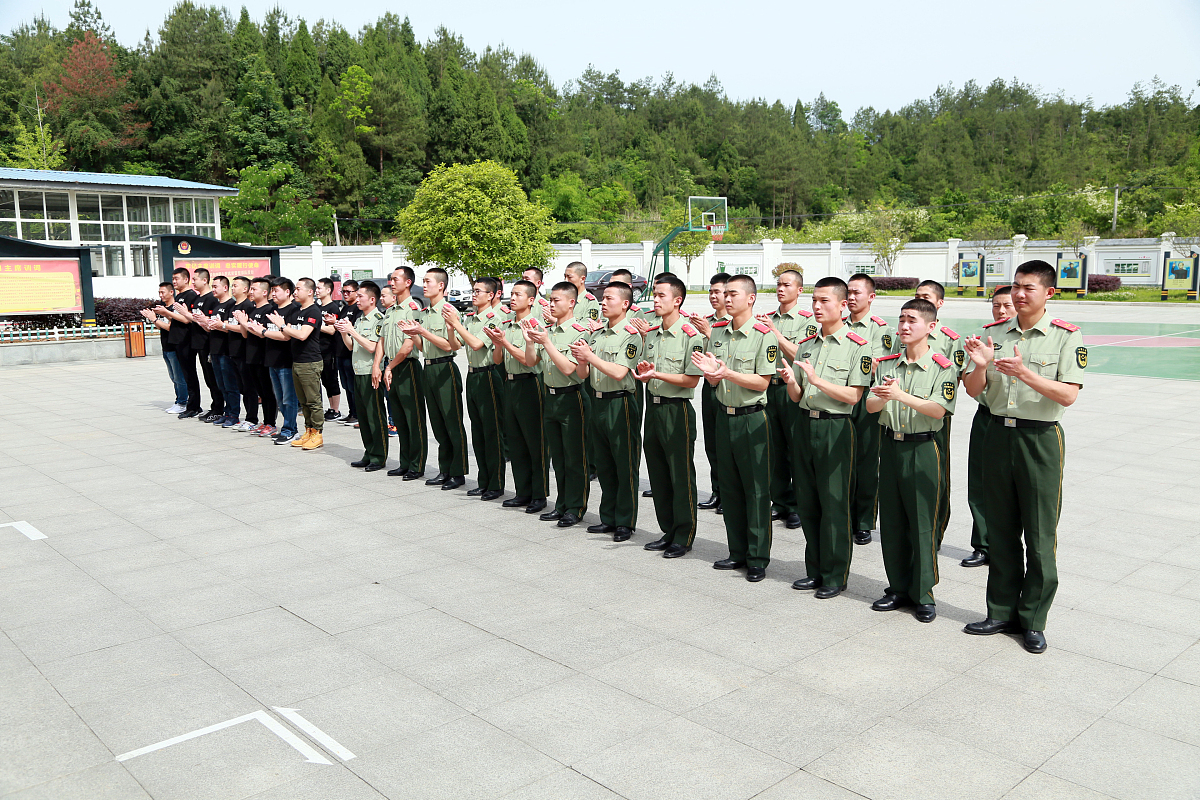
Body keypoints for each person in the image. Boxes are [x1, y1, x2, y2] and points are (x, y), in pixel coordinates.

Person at [962, 260, 1085, 655]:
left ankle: (1032, 620)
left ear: (1049, 293)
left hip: (1040, 439)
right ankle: (1000, 611)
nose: (1018, 294)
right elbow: (974, 391)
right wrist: (980, 367)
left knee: (1039, 533)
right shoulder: (992, 334)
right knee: (999, 530)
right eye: (1015, 286)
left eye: (1028, 287)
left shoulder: (1066, 336)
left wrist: (1024, 373)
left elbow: (1068, 395)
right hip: (997, 436)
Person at [866, 298, 958, 623]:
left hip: (922, 448)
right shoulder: (888, 364)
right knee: (891, 522)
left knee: (922, 524)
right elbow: (870, 407)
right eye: (902, 319)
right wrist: (880, 395)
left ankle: (924, 593)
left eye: (912, 321)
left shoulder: (943, 367)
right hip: (890, 446)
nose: (904, 326)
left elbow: (939, 410)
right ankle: (898, 588)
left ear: (931, 327)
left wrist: (900, 395)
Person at [782, 276, 871, 599]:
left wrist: (818, 381)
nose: (817, 307)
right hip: (805, 424)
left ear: (843, 305)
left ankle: (835, 573)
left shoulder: (857, 346)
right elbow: (797, 396)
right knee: (808, 500)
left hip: (835, 428)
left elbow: (853, 396)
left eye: (825, 302)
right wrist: (793, 381)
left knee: (834, 502)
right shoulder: (806, 345)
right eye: (815, 301)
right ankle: (814, 569)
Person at [691, 274, 777, 581]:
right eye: (724, 294)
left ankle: (757, 556)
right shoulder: (718, 333)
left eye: (733, 294)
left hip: (752, 417)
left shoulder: (763, 335)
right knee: (729, 487)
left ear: (750, 298)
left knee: (755, 489)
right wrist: (713, 374)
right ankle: (736, 551)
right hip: (724, 416)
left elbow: (762, 381)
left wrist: (727, 373)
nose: (727, 299)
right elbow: (715, 379)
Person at [637, 275, 705, 557]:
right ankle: (668, 529)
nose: (655, 300)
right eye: (654, 294)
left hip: (677, 410)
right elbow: (646, 371)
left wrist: (656, 374)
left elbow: (691, 380)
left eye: (661, 295)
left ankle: (684, 534)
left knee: (680, 474)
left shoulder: (692, 336)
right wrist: (644, 373)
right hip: (652, 407)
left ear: (677, 300)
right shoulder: (651, 334)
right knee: (658, 473)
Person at [573, 281, 643, 542]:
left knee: (624, 463)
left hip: (620, 402)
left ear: (625, 304)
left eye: (609, 299)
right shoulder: (597, 333)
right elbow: (583, 374)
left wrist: (589, 357)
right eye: (602, 298)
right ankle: (608, 517)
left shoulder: (630, 334)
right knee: (604, 463)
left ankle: (625, 521)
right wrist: (582, 360)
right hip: (598, 401)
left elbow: (619, 372)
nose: (603, 302)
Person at [524, 281, 589, 527]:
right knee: (558, 457)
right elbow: (532, 362)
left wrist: (547, 343)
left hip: (571, 397)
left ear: (571, 302)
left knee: (574, 457)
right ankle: (561, 504)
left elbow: (571, 369)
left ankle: (575, 506)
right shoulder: (547, 330)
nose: (551, 305)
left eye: (556, 300)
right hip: (550, 396)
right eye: (550, 300)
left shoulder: (579, 331)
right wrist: (530, 341)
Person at [962, 285, 1016, 568]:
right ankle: (982, 544)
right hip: (987, 416)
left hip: (1020, 421)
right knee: (980, 483)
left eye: (1006, 305)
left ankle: (1006, 545)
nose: (1001, 310)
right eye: (996, 305)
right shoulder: (987, 335)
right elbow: (971, 381)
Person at [486, 280, 548, 514]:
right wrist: (498, 344)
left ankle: (539, 494)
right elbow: (497, 360)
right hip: (510, 383)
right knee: (515, 441)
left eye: (518, 294)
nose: (512, 298)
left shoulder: (535, 326)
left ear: (531, 300)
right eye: (511, 294)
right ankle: (523, 491)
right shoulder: (506, 324)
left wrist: (505, 343)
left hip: (530, 384)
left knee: (535, 442)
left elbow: (528, 360)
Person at [756, 268, 811, 530]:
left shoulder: (806, 319)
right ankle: (780, 501)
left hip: (792, 387)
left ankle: (798, 505)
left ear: (799, 290)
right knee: (774, 447)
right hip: (770, 387)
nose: (780, 289)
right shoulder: (768, 317)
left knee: (794, 448)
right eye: (778, 284)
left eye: (786, 285)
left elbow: (800, 353)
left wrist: (775, 333)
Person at [442, 277, 506, 501]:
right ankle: (484, 481)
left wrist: (457, 324)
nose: (474, 294)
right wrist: (451, 328)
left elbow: (478, 344)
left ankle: (496, 483)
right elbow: (456, 345)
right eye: (473, 290)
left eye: (478, 291)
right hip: (472, 375)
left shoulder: (494, 318)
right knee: (478, 432)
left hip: (488, 375)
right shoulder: (471, 318)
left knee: (492, 432)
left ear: (491, 295)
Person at [913, 279, 967, 544]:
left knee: (937, 475)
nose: (921, 299)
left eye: (927, 296)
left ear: (940, 303)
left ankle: (936, 531)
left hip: (935, 414)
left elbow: (953, 381)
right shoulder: (907, 329)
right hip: (902, 416)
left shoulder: (950, 340)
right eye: (917, 295)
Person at [404, 268, 467, 490]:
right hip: (428, 367)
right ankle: (445, 469)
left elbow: (451, 346)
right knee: (438, 424)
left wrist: (423, 332)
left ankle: (458, 472)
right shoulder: (424, 312)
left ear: (441, 285)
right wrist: (414, 335)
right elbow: (423, 348)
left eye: (428, 281)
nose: (424, 285)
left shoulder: (448, 311)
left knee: (452, 423)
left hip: (445, 368)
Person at [845, 273, 896, 545]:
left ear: (871, 297)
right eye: (849, 293)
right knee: (841, 459)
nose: (851, 298)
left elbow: (875, 365)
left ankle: (863, 520)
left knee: (865, 461)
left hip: (866, 400)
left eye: (857, 293)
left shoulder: (881, 329)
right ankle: (843, 515)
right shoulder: (837, 325)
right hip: (840, 397)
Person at [375, 267, 427, 479]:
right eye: (390, 279)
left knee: (413, 418)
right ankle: (404, 462)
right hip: (391, 367)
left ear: (407, 283)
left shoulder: (412, 308)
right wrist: (379, 365)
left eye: (396, 279)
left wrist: (389, 366)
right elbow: (384, 340)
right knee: (399, 417)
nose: (391, 282)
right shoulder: (390, 310)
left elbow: (407, 346)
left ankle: (416, 464)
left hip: (406, 367)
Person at [335, 281, 387, 471]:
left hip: (371, 372)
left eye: (360, 296)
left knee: (375, 415)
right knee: (363, 417)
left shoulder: (378, 319)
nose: (357, 300)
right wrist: (344, 332)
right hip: (358, 371)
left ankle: (379, 456)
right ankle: (369, 452)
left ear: (372, 299)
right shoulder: (359, 319)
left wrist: (352, 332)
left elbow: (373, 347)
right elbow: (350, 346)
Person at [692, 272, 731, 513]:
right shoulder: (706, 321)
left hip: (730, 386)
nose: (714, 296)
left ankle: (730, 495)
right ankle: (717, 491)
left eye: (719, 291)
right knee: (712, 444)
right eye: (711, 291)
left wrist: (709, 334)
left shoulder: (733, 323)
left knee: (728, 445)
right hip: (710, 387)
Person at [270, 277, 324, 449]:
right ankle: (308, 430)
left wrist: (282, 325)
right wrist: (281, 327)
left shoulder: (314, 311)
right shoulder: (297, 311)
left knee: (313, 400)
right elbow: (288, 335)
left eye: (299, 288)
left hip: (310, 361)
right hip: (297, 361)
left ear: (310, 291)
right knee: (303, 400)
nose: (295, 292)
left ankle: (317, 433)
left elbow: (302, 335)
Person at [253, 277, 300, 444]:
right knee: (280, 399)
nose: (273, 294)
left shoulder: (294, 310)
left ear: (287, 292)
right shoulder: (272, 309)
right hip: (271, 360)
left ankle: (291, 430)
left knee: (289, 399)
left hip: (286, 361)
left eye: (276, 291)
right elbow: (264, 331)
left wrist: (264, 331)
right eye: (272, 290)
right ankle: (286, 427)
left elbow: (286, 336)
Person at [233, 277, 278, 438]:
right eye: (250, 289)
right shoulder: (252, 309)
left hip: (263, 356)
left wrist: (245, 323)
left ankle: (270, 423)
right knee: (259, 391)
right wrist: (243, 322)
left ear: (265, 292)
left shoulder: (270, 310)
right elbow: (245, 334)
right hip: (250, 355)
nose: (251, 292)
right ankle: (264, 422)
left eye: (254, 289)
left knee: (267, 392)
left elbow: (262, 334)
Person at [159, 267, 202, 418]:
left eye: (177, 279)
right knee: (185, 374)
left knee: (189, 375)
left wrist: (167, 313)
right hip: (177, 341)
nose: (174, 281)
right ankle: (191, 405)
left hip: (186, 340)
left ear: (186, 279)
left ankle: (193, 406)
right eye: (173, 279)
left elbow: (186, 319)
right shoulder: (179, 296)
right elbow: (176, 318)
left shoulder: (190, 296)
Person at [187, 268, 226, 424]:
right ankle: (215, 407)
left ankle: (219, 409)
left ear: (204, 280)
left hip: (209, 343)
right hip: (199, 344)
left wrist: (191, 316)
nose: (193, 282)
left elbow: (209, 322)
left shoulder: (211, 299)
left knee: (215, 380)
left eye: (195, 278)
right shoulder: (197, 298)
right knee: (209, 379)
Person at [143, 282, 187, 414]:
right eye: (159, 293)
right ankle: (179, 400)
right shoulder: (162, 307)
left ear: (171, 292)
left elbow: (170, 327)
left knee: (179, 377)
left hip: (175, 346)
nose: (161, 295)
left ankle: (182, 402)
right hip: (165, 346)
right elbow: (161, 327)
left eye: (163, 292)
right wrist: (153, 319)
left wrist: (155, 319)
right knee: (173, 377)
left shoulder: (174, 308)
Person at [224, 276, 259, 432]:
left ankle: (252, 418)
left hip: (245, 351)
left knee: (249, 387)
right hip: (233, 351)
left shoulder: (248, 305)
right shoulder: (233, 305)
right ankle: (246, 417)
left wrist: (226, 325)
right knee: (241, 387)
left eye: (235, 285)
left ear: (245, 289)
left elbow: (247, 327)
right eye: (232, 285)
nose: (232, 288)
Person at [207, 276, 241, 428]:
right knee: (221, 385)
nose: (213, 289)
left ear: (225, 288)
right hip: (214, 350)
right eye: (212, 286)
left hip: (225, 351)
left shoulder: (231, 305)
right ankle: (227, 412)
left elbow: (229, 327)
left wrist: (220, 325)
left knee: (230, 385)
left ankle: (234, 414)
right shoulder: (216, 305)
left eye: (216, 286)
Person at [316, 278, 344, 422]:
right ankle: (331, 408)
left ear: (328, 290)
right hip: (318, 349)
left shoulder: (333, 308)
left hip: (329, 350)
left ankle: (336, 409)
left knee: (331, 379)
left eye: (320, 288)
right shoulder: (318, 307)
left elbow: (332, 330)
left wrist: (315, 325)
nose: (317, 290)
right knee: (325, 380)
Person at [335, 280, 361, 426]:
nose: (345, 294)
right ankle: (351, 412)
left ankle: (357, 414)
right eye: (343, 291)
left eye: (348, 291)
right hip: (340, 352)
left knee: (352, 386)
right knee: (345, 385)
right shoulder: (344, 308)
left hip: (350, 353)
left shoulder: (358, 309)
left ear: (356, 292)